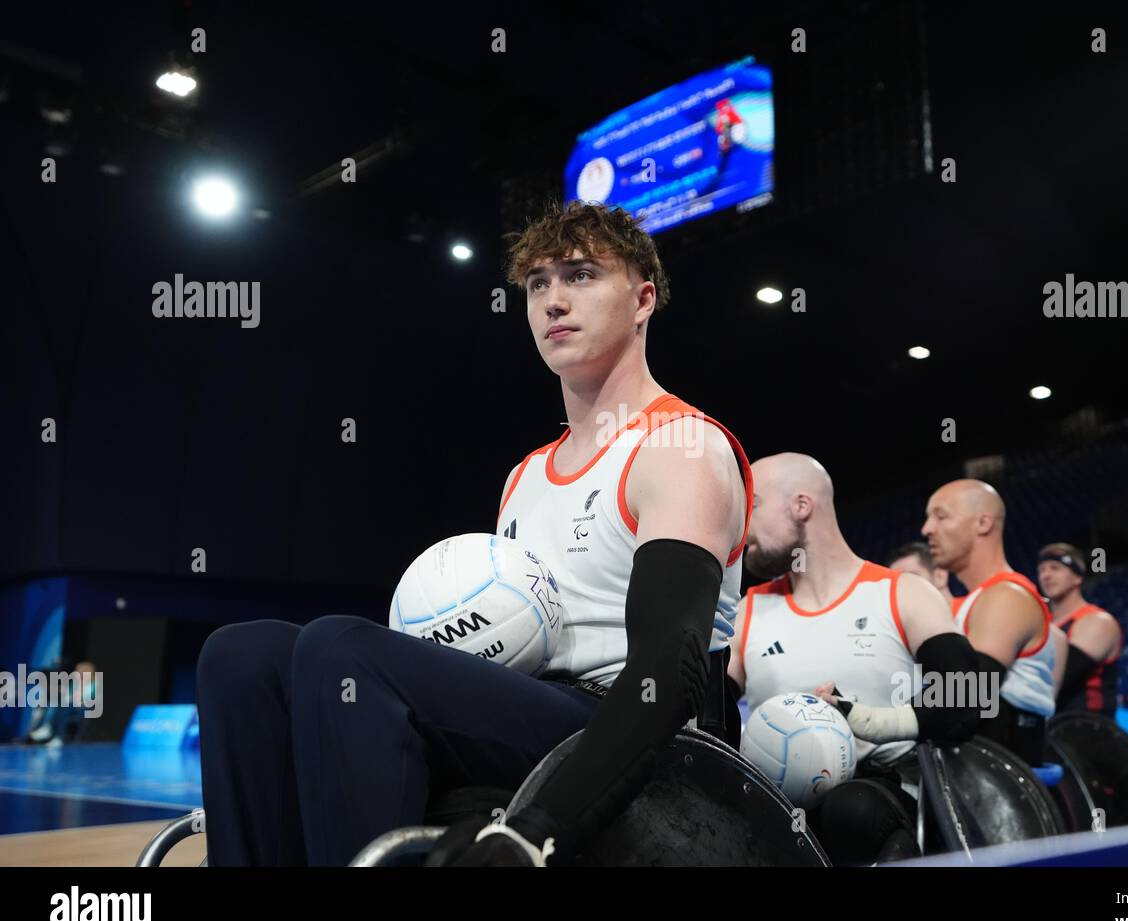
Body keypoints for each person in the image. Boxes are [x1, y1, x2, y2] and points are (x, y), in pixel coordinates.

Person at [197, 200, 751, 866]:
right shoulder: (525, 477)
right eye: (538, 283)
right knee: (243, 655)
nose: (552, 301)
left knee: (344, 647)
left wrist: (539, 827)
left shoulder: (680, 444)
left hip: (631, 726)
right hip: (538, 702)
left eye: (579, 275)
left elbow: (674, 669)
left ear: (642, 300)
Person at [730, 454, 1001, 863]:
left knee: (851, 809)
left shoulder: (901, 593)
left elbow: (971, 694)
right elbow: (703, 709)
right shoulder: (746, 610)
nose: (740, 527)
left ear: (801, 507)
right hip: (775, 801)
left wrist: (871, 722)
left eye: (753, 506)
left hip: (881, 798)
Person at [920, 479, 1056, 765]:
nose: (927, 529)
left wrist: (882, 720)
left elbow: (966, 697)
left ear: (983, 523)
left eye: (941, 516)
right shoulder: (974, 600)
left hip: (1002, 787)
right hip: (976, 775)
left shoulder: (1007, 597)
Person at [1037, 543, 1122, 716]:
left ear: (1077, 577)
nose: (1046, 575)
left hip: (1086, 730)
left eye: (1055, 568)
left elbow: (1060, 675)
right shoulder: (1043, 623)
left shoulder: (1097, 622)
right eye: (1042, 570)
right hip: (1053, 725)